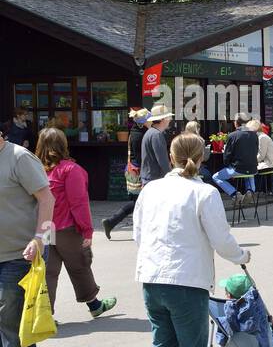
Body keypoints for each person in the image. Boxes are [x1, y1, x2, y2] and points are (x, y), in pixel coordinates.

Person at [123, 133, 249, 347]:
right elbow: (221, 239)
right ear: (202, 158)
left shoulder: (151, 189)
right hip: (186, 282)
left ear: (171, 157)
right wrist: (242, 256)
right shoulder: (204, 192)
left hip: (151, 278)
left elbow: (139, 233)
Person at [0, 122, 55, 347]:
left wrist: (39, 237)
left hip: (17, 255)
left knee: (10, 326)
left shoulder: (19, 157)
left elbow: (47, 199)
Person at [34, 127, 116, 318]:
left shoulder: (35, 169)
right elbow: (79, 203)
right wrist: (87, 231)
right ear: (63, 145)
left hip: (44, 227)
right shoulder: (71, 170)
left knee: (48, 273)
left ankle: (44, 317)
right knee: (80, 266)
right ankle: (95, 305)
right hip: (67, 228)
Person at [102, 108, 151, 239]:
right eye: (149, 119)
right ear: (143, 122)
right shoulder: (140, 135)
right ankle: (111, 222)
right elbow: (142, 157)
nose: (151, 121)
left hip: (133, 171)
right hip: (139, 172)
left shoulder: (135, 132)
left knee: (137, 203)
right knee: (138, 203)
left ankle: (111, 222)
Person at [213, 114, 261, 202]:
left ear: (236, 123)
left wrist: (229, 166)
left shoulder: (232, 135)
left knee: (215, 177)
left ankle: (234, 194)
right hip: (253, 168)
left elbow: (226, 156)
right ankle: (250, 191)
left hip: (237, 168)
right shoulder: (255, 135)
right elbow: (256, 151)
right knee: (248, 172)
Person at [139, 103, 174, 186]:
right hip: (154, 180)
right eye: (168, 117)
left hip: (150, 178)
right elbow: (163, 161)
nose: (170, 120)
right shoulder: (156, 135)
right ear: (163, 119)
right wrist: (172, 177)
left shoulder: (151, 132)